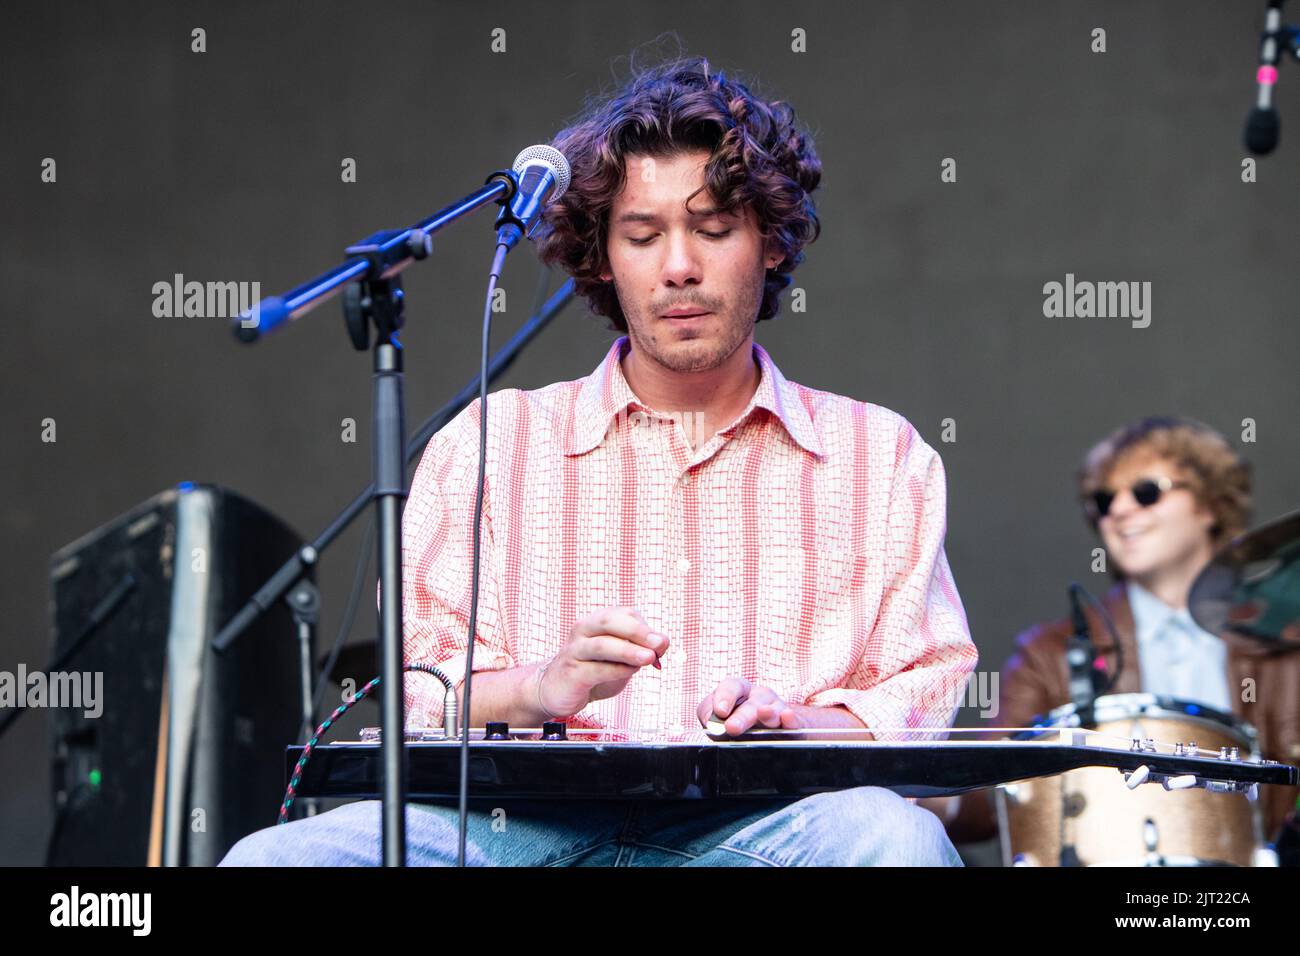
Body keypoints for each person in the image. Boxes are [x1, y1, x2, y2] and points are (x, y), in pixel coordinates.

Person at [221, 54, 976, 867]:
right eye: (643, 235)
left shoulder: (880, 456)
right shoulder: (489, 442)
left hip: (771, 829)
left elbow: (916, 696)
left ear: (770, 243)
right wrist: (538, 687)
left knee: (893, 841)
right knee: (275, 861)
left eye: (715, 229)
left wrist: (791, 721)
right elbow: (417, 688)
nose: (679, 265)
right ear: (604, 259)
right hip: (511, 831)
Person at [939, 416, 1300, 847]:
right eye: (1105, 500)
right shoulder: (1051, 652)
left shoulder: (1284, 643)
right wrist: (917, 794)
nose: (1119, 510)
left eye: (1146, 492)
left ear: (1209, 505)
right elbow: (990, 792)